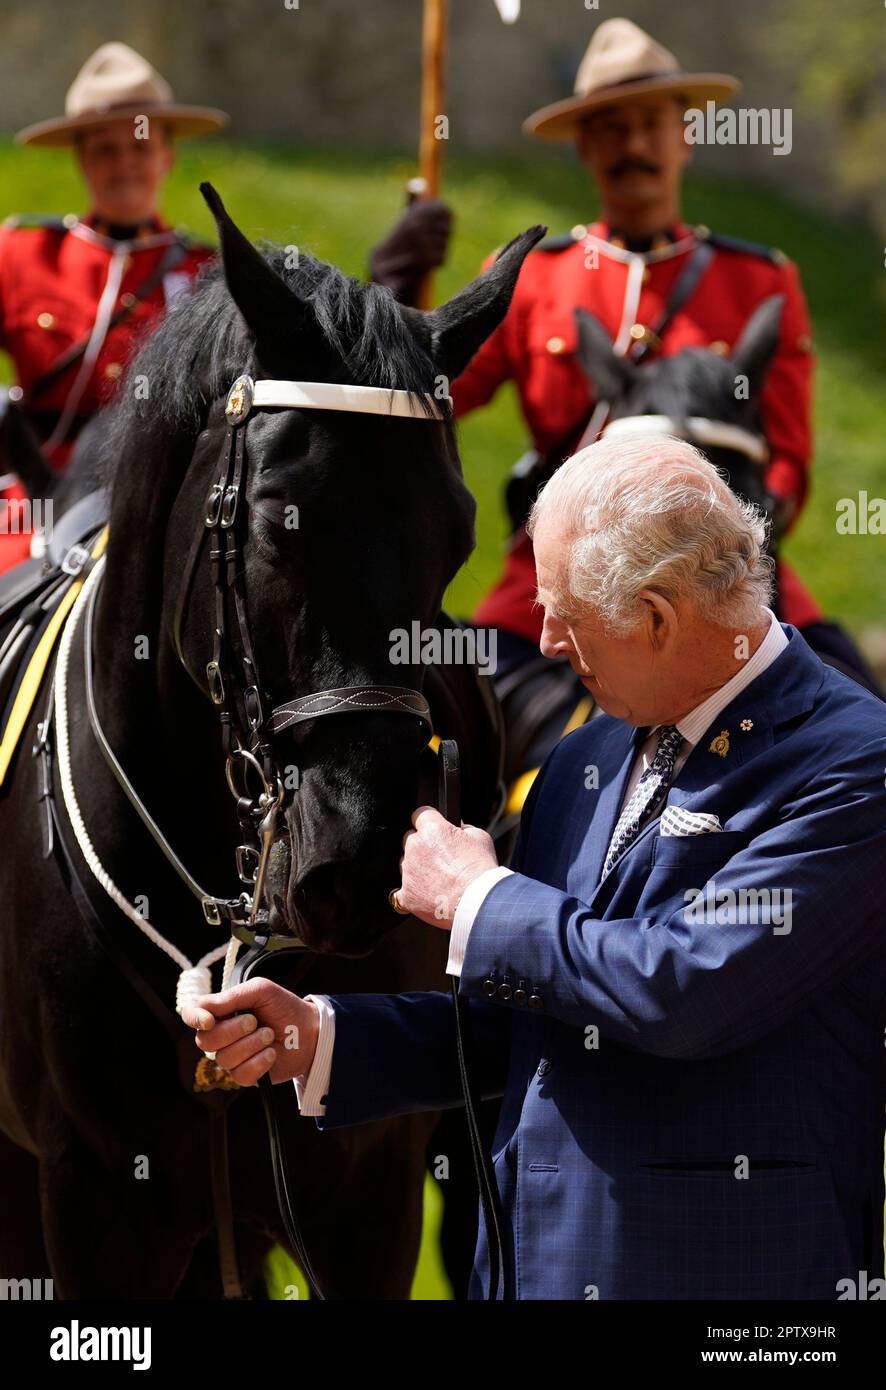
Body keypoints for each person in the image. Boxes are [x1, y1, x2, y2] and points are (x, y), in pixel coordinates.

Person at [183, 434, 886, 1300]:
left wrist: (481, 896)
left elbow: (680, 990)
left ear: (658, 617)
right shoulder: (582, 757)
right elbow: (529, 1021)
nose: (545, 640)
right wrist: (316, 1037)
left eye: (566, 613)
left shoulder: (854, 766)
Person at [371, 17, 875, 688]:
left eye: (651, 124)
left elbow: (787, 462)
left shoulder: (757, 281)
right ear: (583, 145)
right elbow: (429, 399)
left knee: (859, 720)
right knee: (446, 719)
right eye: (611, 127)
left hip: (727, 583)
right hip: (553, 597)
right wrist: (394, 299)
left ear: (686, 134)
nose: (633, 145)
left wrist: (722, 564)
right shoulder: (533, 276)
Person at [0, 41, 230, 571]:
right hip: (34, 497)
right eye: (105, 150)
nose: (124, 165)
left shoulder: (208, 273)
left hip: (156, 497)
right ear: (81, 161)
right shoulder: (22, 254)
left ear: (166, 156)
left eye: (140, 147)